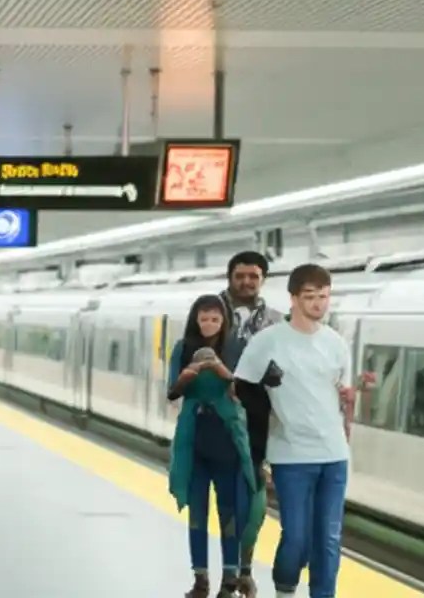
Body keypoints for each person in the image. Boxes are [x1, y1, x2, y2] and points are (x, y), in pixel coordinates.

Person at [234, 264, 355, 598]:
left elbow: (342, 396)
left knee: (328, 540)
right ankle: (285, 590)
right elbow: (241, 390)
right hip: (291, 455)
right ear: (293, 298)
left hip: (334, 455)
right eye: (311, 297)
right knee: (297, 537)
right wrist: (259, 441)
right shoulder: (268, 342)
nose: (319, 304)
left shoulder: (336, 343)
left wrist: (352, 400)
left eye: (324, 297)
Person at [167, 295, 257, 598]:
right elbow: (172, 393)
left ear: (224, 321)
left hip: (228, 436)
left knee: (229, 510)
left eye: (214, 319)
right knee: (197, 511)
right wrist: (185, 377)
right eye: (203, 318)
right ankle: (200, 578)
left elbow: (243, 391)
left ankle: (229, 580)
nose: (208, 324)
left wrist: (222, 371)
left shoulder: (236, 349)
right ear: (195, 319)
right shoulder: (182, 349)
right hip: (194, 437)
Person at [219, 250, 284, 598]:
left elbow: (285, 370)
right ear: (230, 276)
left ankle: (242, 568)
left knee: (255, 502)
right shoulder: (209, 312)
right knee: (226, 503)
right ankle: (231, 572)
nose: (246, 282)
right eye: (240, 275)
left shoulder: (275, 320)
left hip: (258, 423)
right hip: (216, 422)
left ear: (263, 280)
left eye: (253, 276)